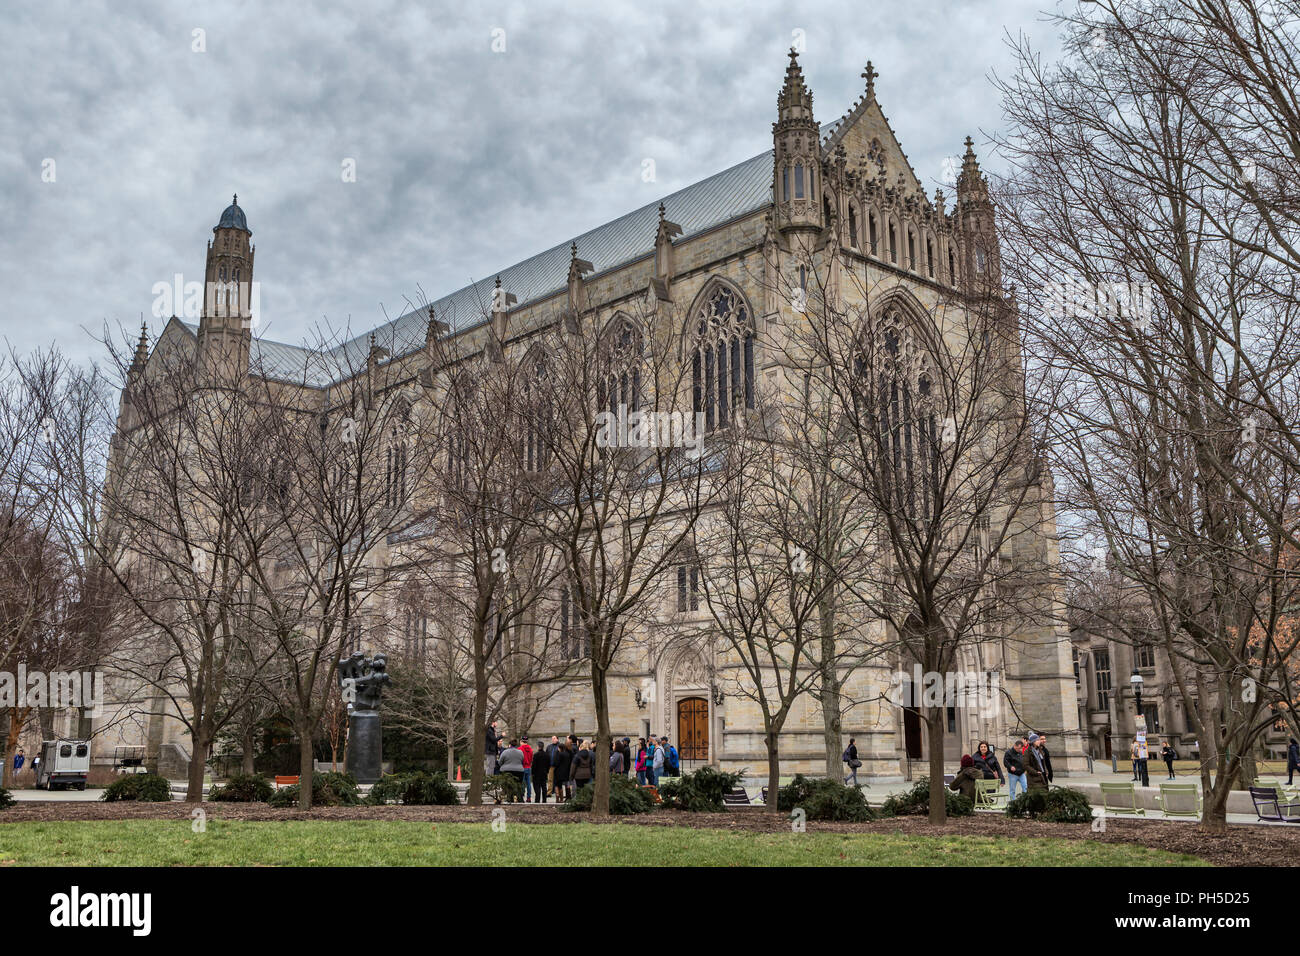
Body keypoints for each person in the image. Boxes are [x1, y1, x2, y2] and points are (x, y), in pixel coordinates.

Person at [531, 736, 552, 803]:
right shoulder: (547, 755)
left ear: (538, 747)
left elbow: (534, 765)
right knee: (544, 787)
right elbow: (549, 764)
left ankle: (537, 800)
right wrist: (547, 771)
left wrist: (532, 773)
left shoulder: (536, 755)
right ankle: (544, 800)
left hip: (537, 774)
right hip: (544, 773)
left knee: (537, 788)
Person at [519, 736, 534, 802]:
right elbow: (531, 759)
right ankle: (529, 797)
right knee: (528, 784)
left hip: (522, 768)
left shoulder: (520, 749)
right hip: (528, 767)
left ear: (521, 741)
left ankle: (522, 796)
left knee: (522, 783)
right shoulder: (530, 749)